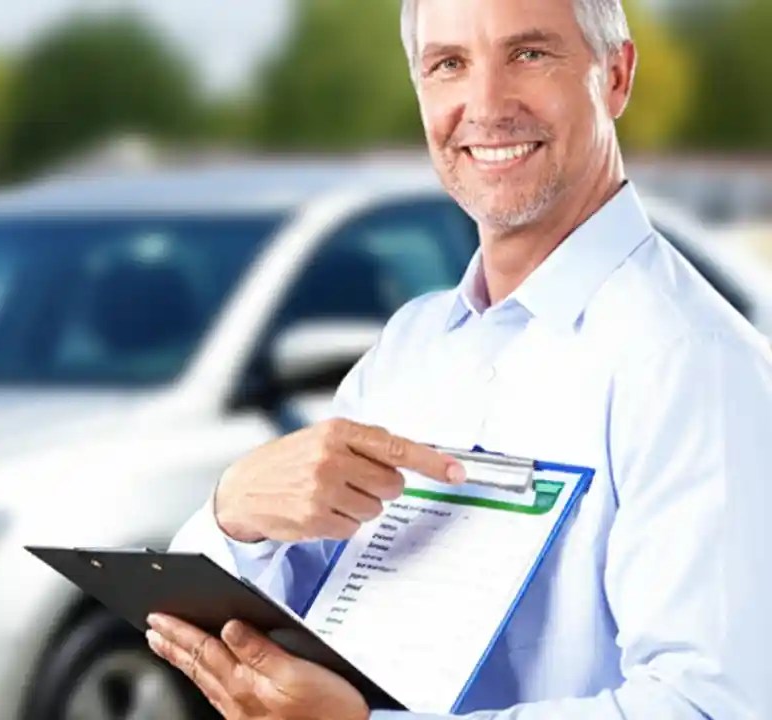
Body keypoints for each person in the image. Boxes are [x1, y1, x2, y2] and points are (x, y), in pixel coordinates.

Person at [149, 0, 772, 718]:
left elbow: (711, 708)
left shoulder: (696, 365)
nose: (485, 105)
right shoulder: (411, 348)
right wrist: (235, 513)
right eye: (449, 65)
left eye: (529, 54)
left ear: (616, 75)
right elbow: (261, 624)